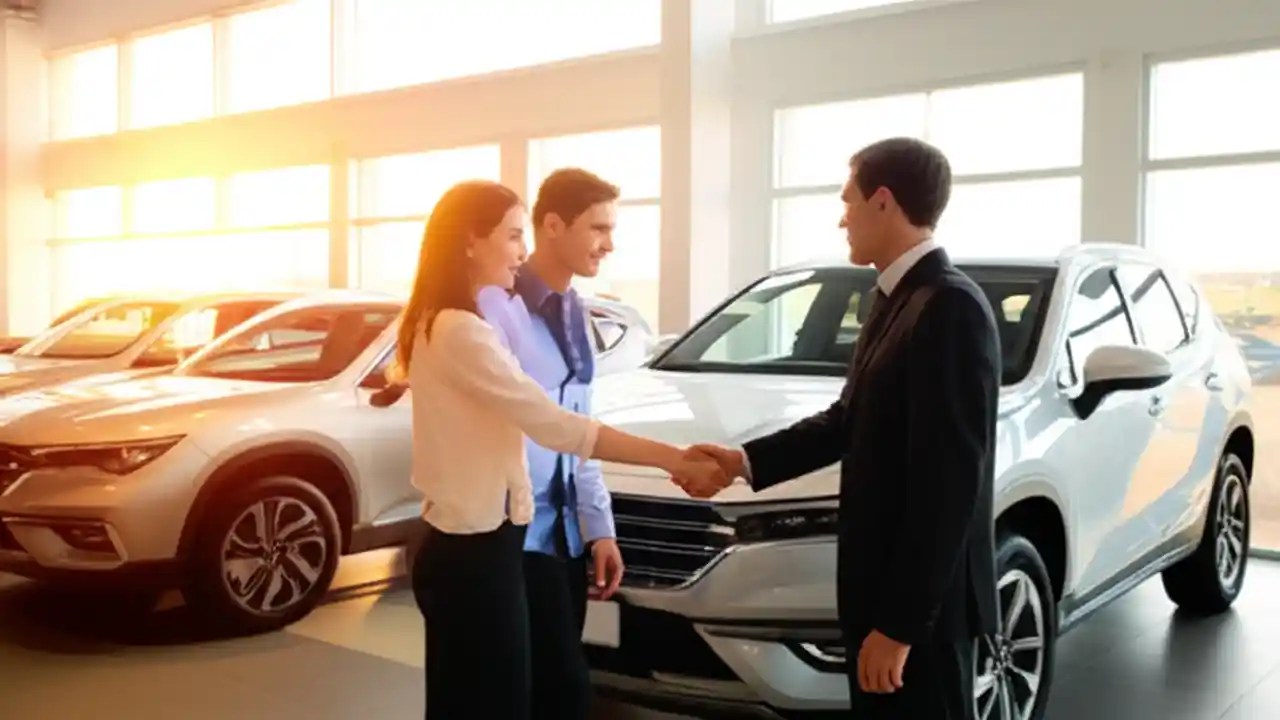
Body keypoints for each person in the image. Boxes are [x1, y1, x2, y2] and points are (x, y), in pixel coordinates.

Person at [681, 138, 1001, 719]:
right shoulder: (896, 298)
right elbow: (848, 420)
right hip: (878, 595)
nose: (842, 218)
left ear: (883, 201)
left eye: (847, 200)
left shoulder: (949, 307)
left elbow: (949, 487)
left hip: (918, 617)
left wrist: (900, 627)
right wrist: (743, 461)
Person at [389, 179, 725, 720]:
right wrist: (672, 458)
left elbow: (568, 423)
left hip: (487, 544)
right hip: (478, 550)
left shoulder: (459, 322)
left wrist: (598, 524)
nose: (520, 252)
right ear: (470, 241)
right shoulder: (465, 330)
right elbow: (558, 426)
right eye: (512, 236)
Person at [474, 168, 621, 720]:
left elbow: (579, 422)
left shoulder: (576, 310)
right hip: (513, 539)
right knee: (552, 693)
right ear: (553, 226)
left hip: (565, 543)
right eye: (598, 228)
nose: (609, 244)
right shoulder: (496, 309)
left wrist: (598, 526)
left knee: (560, 691)